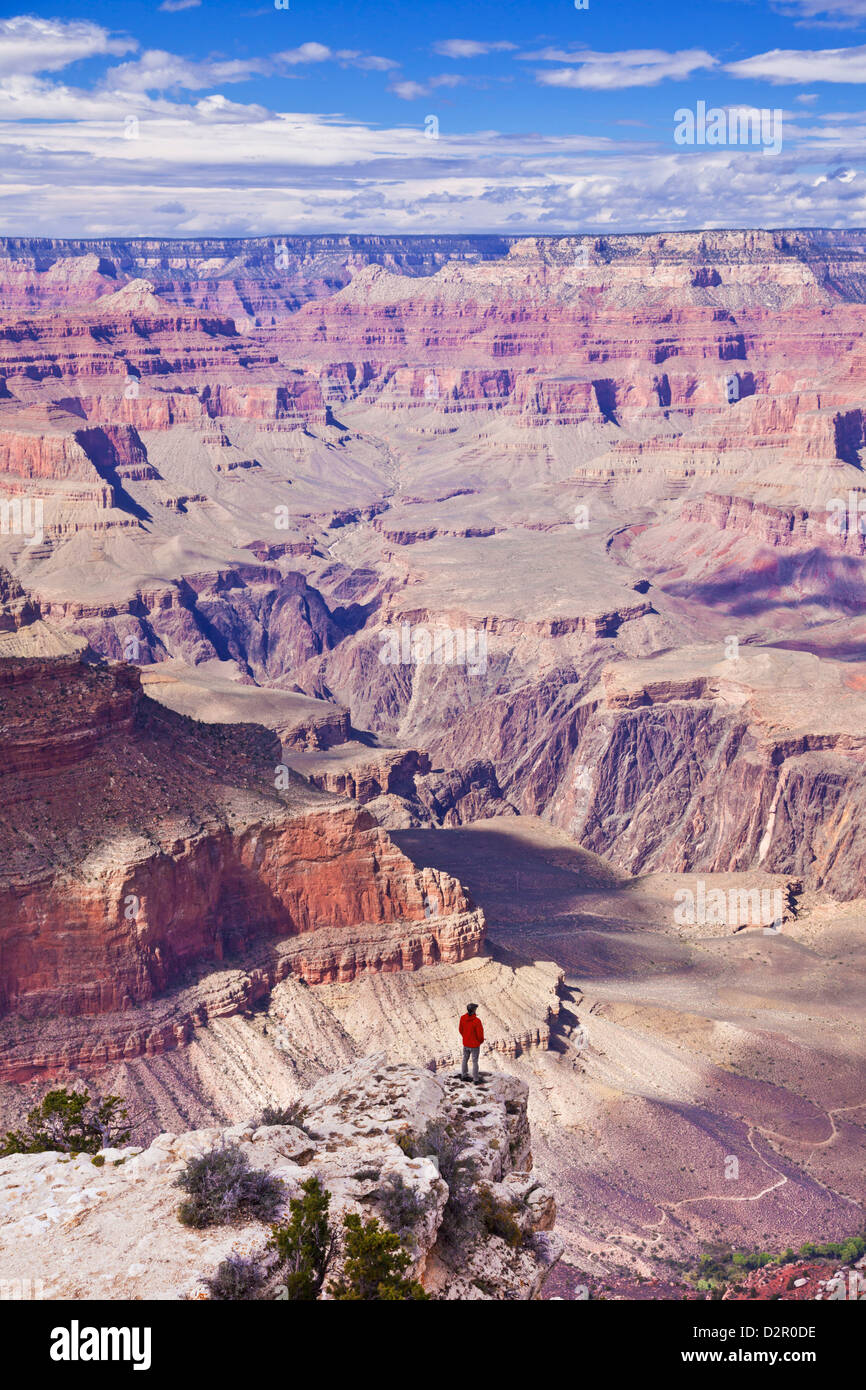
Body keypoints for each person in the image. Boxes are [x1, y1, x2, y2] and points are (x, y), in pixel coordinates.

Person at [459, 1003, 484, 1083]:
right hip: (474, 1045)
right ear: (474, 1010)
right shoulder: (477, 1021)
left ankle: (464, 1075)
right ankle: (476, 1079)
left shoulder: (462, 1018)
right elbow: (480, 1034)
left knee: (465, 1059)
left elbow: (460, 1029)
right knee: (475, 1061)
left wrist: (465, 1037)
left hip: (466, 1043)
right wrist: (479, 1041)